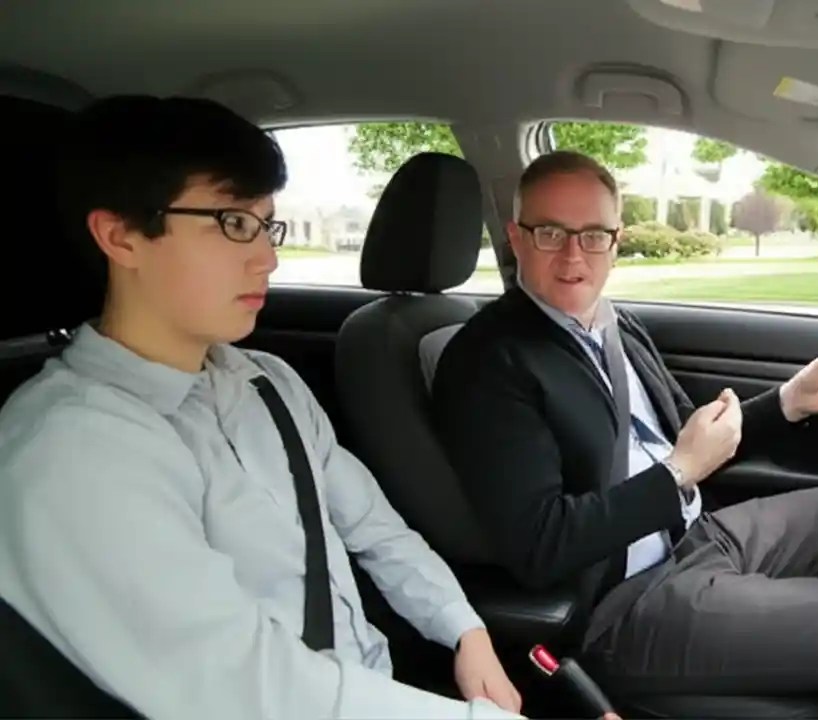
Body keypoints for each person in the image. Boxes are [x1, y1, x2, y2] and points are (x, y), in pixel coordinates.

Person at [0, 96, 525, 720]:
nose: (268, 257)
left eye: (266, 224)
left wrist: (464, 628)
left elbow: (373, 528)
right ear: (121, 236)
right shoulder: (75, 451)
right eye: (232, 223)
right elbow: (249, 688)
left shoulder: (268, 382)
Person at [433, 150, 818, 710]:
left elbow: (692, 431)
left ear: (616, 240)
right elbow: (541, 545)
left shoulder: (609, 320)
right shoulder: (488, 361)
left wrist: (791, 401)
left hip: (701, 536)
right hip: (624, 603)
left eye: (594, 234)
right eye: (551, 232)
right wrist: (679, 474)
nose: (575, 254)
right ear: (516, 236)